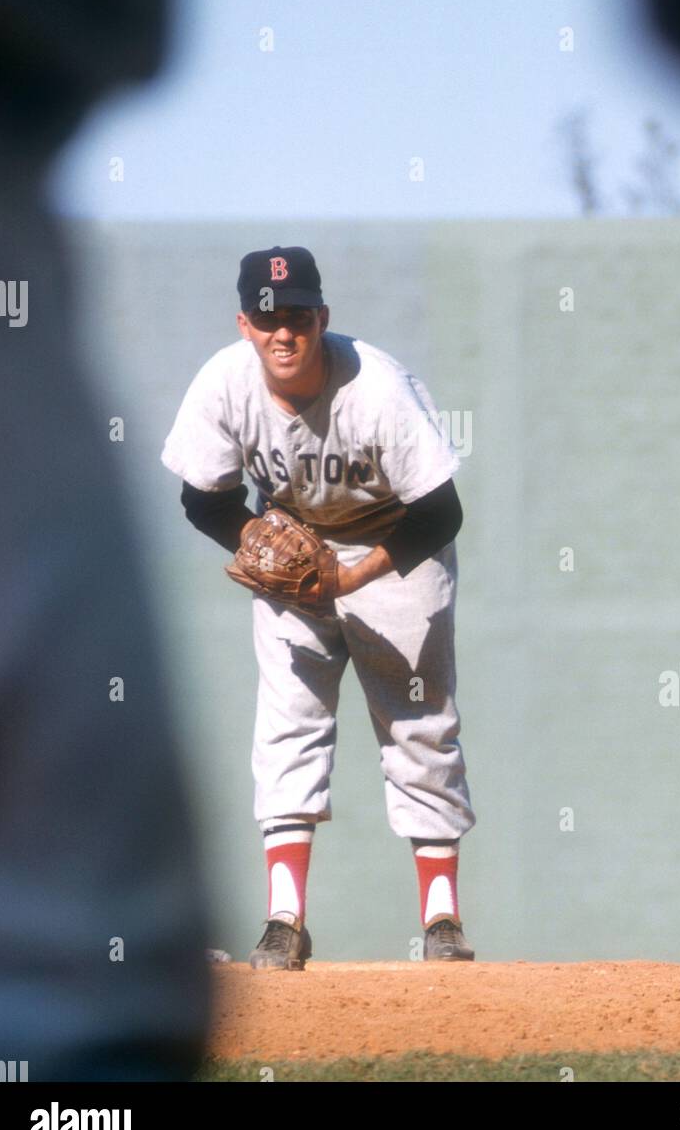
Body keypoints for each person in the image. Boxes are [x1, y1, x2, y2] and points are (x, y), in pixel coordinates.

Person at [161, 246, 476, 968]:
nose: (283, 332)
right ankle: (285, 920)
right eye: (268, 317)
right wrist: (263, 543)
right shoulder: (223, 384)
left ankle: (442, 921)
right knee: (288, 724)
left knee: (420, 724)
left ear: (321, 318)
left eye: (298, 316)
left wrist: (354, 575)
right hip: (295, 551)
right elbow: (201, 498)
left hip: (392, 548)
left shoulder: (377, 387)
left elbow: (441, 512)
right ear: (245, 322)